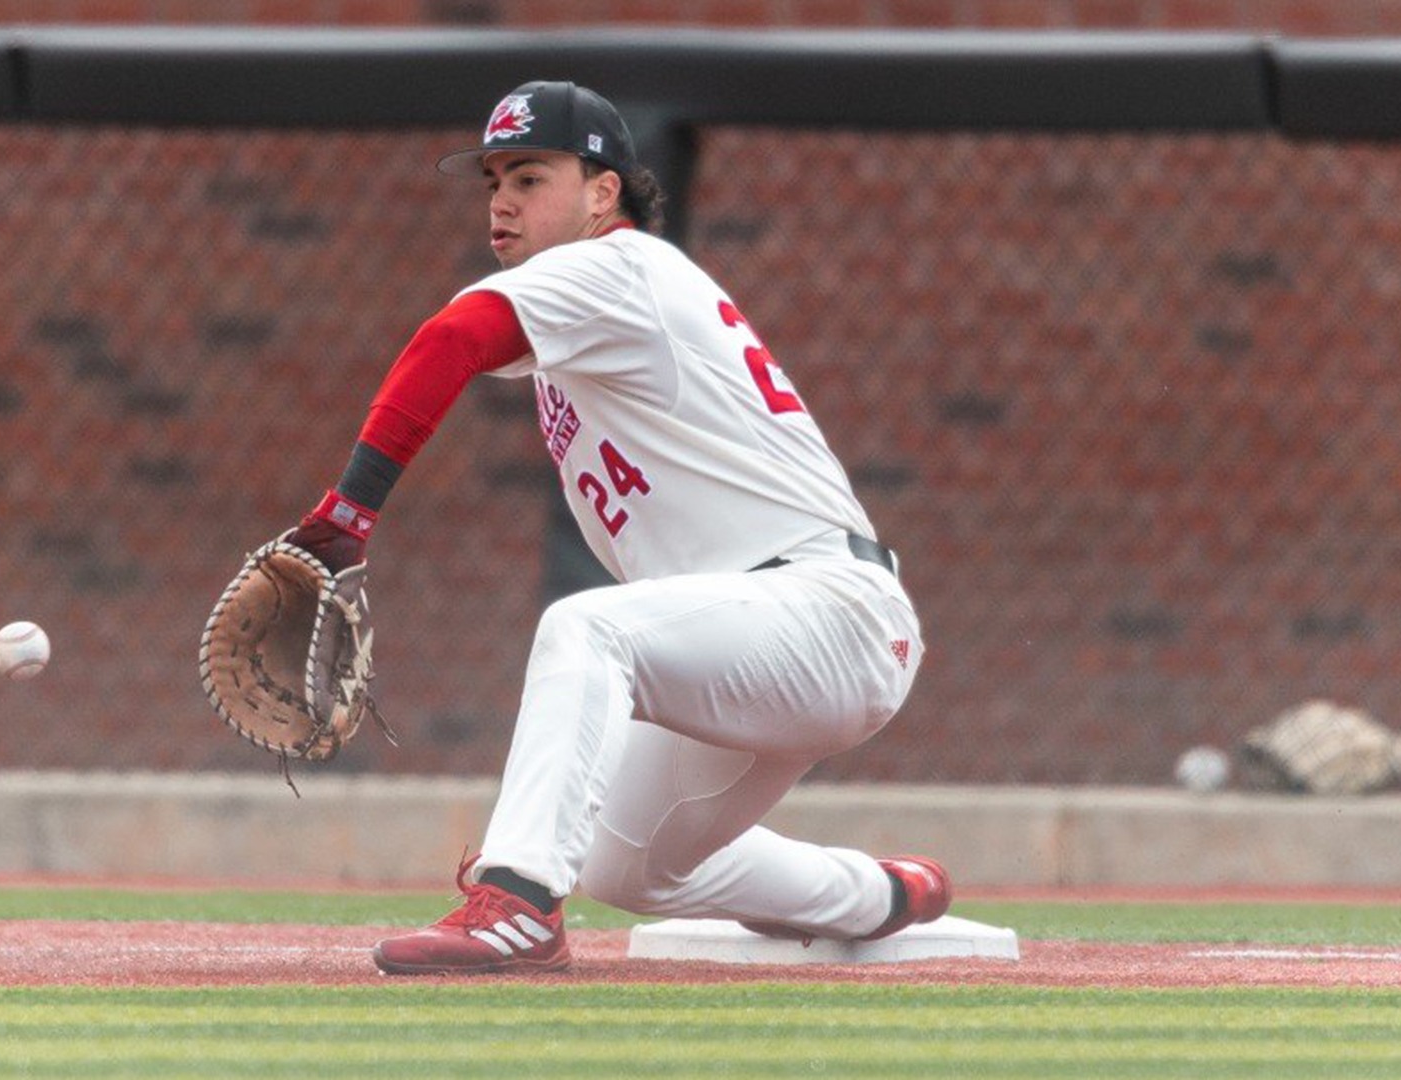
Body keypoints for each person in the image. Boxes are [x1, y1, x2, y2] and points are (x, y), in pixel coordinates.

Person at [285, 81, 948, 975]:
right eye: (493, 183)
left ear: (604, 192)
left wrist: (347, 514)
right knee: (626, 865)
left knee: (586, 625)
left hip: (825, 612)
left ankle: (518, 905)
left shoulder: (619, 267)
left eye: (530, 177)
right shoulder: (594, 308)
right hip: (768, 629)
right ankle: (881, 896)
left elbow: (452, 339)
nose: (502, 202)